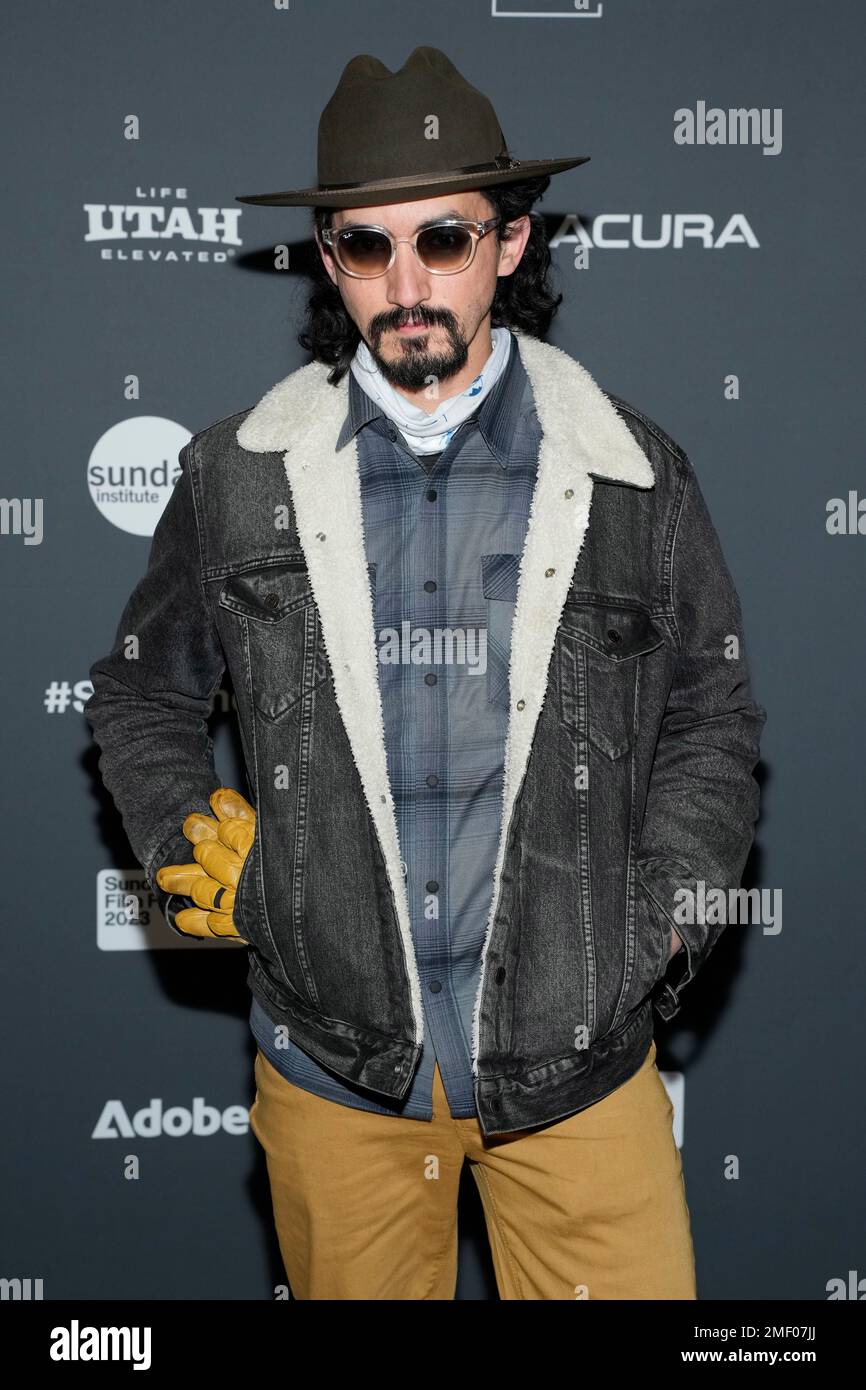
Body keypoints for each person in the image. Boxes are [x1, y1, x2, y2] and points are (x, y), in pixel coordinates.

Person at [84, 46, 766, 1300]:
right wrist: (197, 846)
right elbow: (138, 694)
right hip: (335, 1074)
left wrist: (656, 917)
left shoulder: (632, 477)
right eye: (363, 247)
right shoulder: (238, 477)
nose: (405, 287)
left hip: (578, 1075)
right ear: (328, 258)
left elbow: (710, 717)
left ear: (508, 245)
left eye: (441, 240)